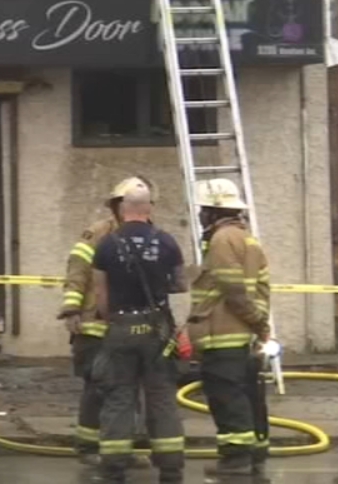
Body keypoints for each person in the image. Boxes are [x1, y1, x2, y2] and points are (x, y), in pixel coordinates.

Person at [89, 180, 187, 484]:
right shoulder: (168, 242)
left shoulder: (106, 245)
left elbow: (101, 297)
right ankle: (171, 468)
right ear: (148, 209)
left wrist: (113, 320)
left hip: (121, 327)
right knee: (161, 398)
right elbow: (181, 284)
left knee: (119, 397)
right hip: (157, 330)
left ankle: (113, 468)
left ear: (121, 209)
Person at [58, 177, 151, 463]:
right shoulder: (97, 235)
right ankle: (88, 446)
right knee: (97, 386)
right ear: (116, 206)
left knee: (129, 388)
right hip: (94, 326)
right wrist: (72, 311)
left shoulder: (148, 235)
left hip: (131, 327)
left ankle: (121, 446)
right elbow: (77, 274)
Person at [187, 178, 273, 480]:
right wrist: (260, 325)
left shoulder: (223, 240)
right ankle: (256, 451)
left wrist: (256, 321)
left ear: (213, 212)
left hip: (222, 334)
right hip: (244, 335)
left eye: (202, 211)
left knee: (227, 397)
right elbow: (260, 288)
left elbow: (232, 289)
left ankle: (236, 458)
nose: (199, 217)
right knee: (250, 394)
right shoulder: (247, 239)